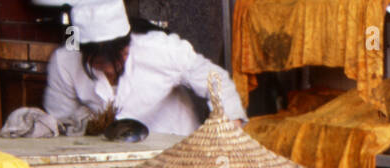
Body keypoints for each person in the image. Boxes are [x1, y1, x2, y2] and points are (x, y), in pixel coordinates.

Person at [42, 0, 246, 137]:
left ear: (127, 44)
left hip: (173, 154)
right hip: (109, 167)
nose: (110, 71)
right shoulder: (64, 62)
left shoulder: (160, 49)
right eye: (98, 63)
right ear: (83, 52)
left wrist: (230, 124)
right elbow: (62, 121)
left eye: (116, 60)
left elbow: (215, 79)